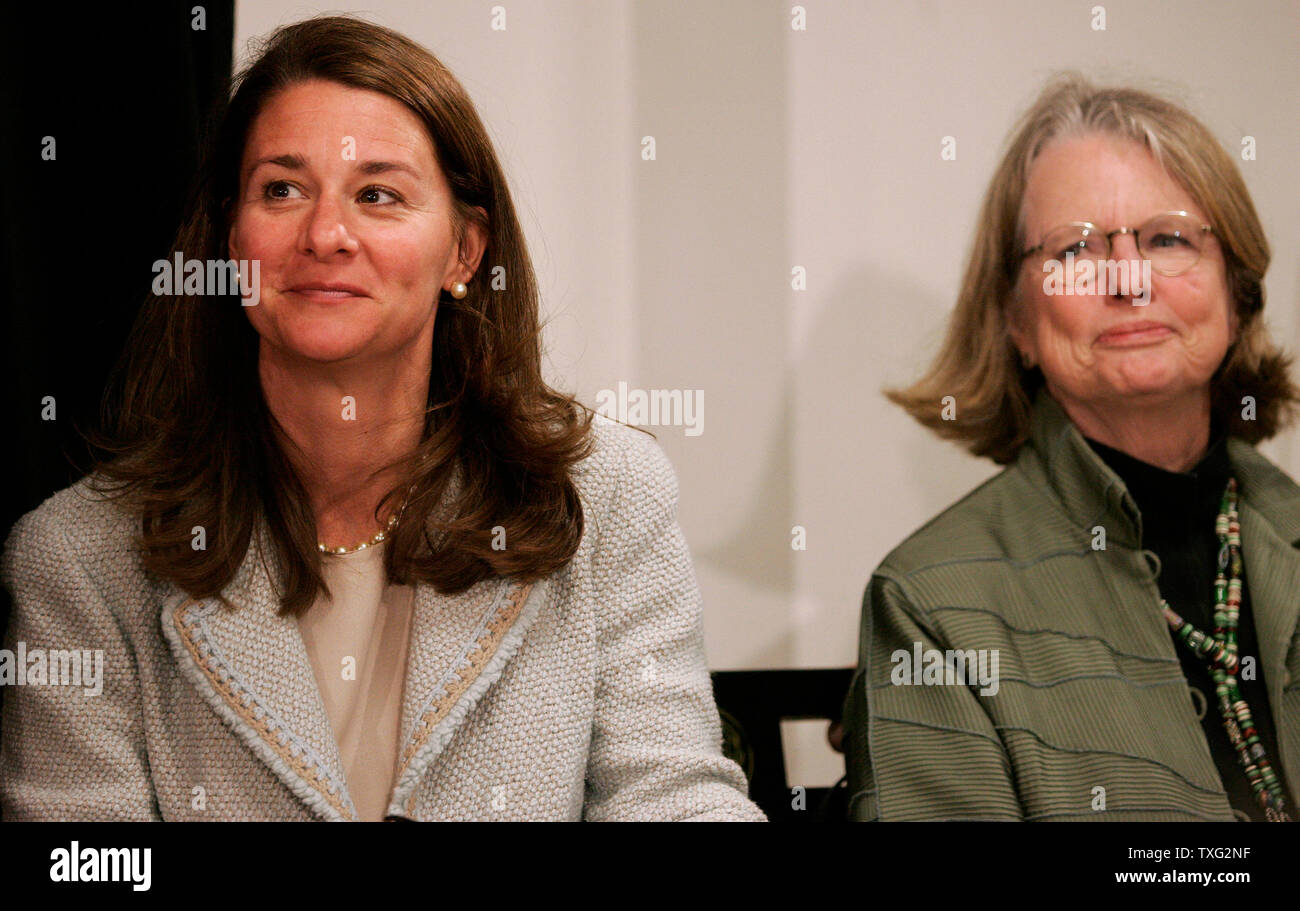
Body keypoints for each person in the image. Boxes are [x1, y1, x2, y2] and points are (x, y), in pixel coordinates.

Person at [0, 15, 764, 822]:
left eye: (378, 195)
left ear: (465, 252)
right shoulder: (79, 559)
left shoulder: (605, 498)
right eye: (282, 189)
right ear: (231, 240)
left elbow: (670, 797)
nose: (326, 234)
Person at [843, 73, 1299, 822]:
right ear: (1016, 320)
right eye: (1077, 249)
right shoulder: (930, 604)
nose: (1127, 279)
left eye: (1167, 238)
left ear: (1237, 287)